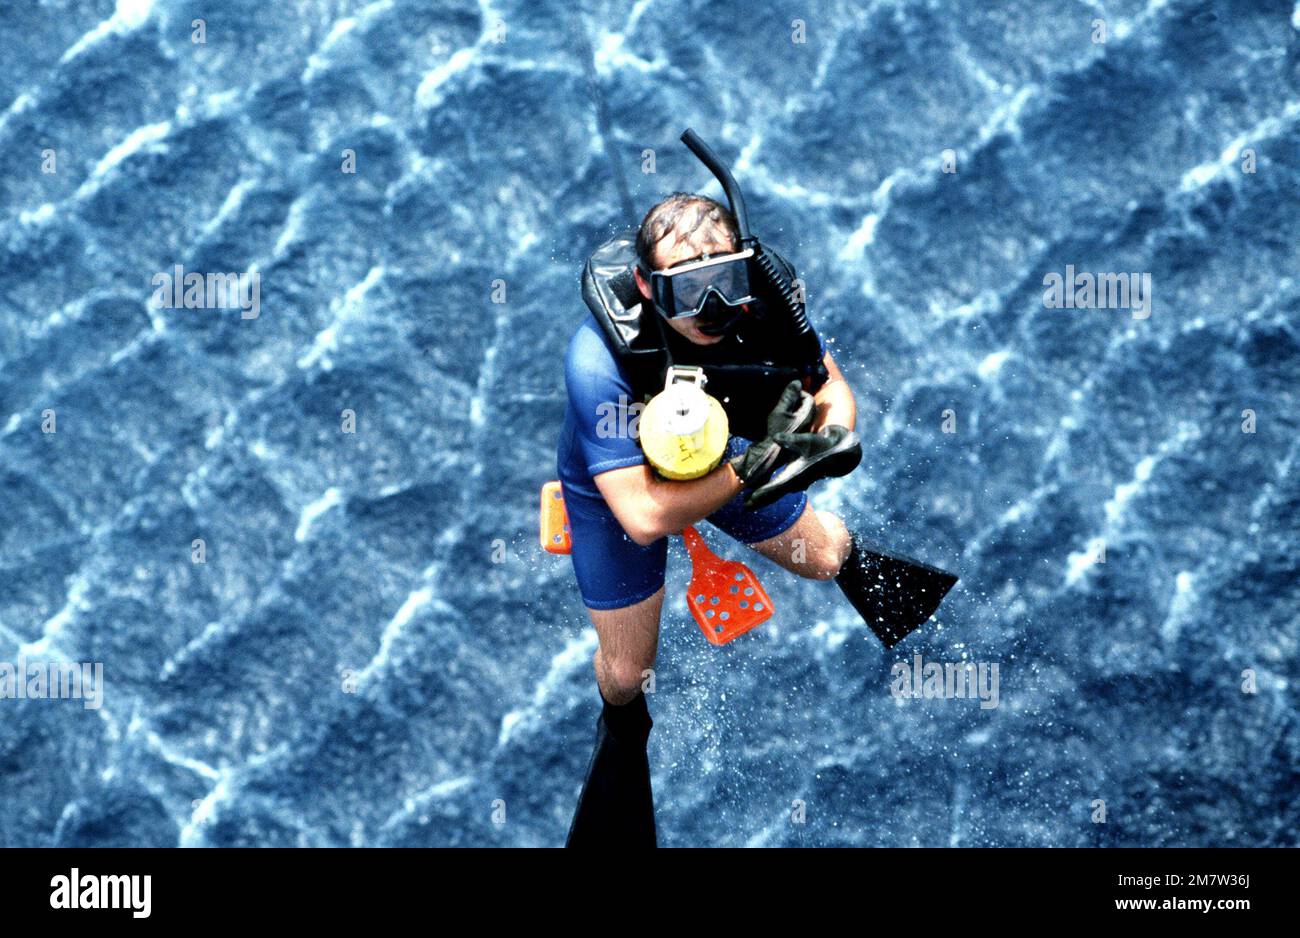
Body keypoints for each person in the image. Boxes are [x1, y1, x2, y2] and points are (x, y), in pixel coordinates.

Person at [558, 133, 957, 847]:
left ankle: (899, 602)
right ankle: (621, 736)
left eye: (727, 280)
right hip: (627, 479)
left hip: (732, 452)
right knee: (627, 672)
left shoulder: (766, 300)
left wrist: (823, 438)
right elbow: (645, 516)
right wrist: (750, 469)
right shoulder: (599, 363)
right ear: (648, 288)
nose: (713, 306)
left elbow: (829, 387)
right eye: (686, 289)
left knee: (829, 554)